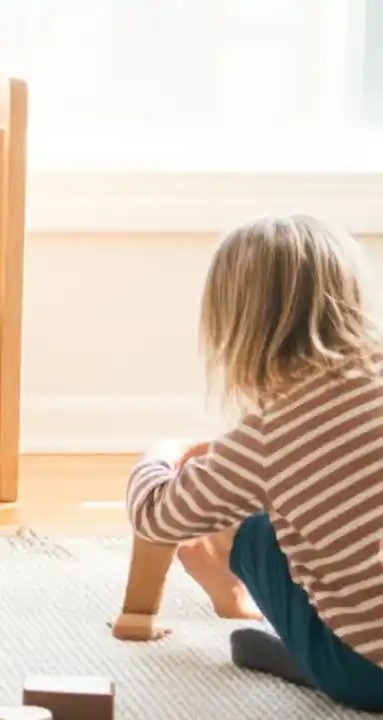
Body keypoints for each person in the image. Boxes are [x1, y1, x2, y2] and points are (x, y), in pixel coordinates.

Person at [125, 214, 383, 712]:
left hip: (365, 674)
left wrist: (161, 454)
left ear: (236, 325)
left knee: (258, 526)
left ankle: (295, 648)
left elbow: (157, 515)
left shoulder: (268, 435)